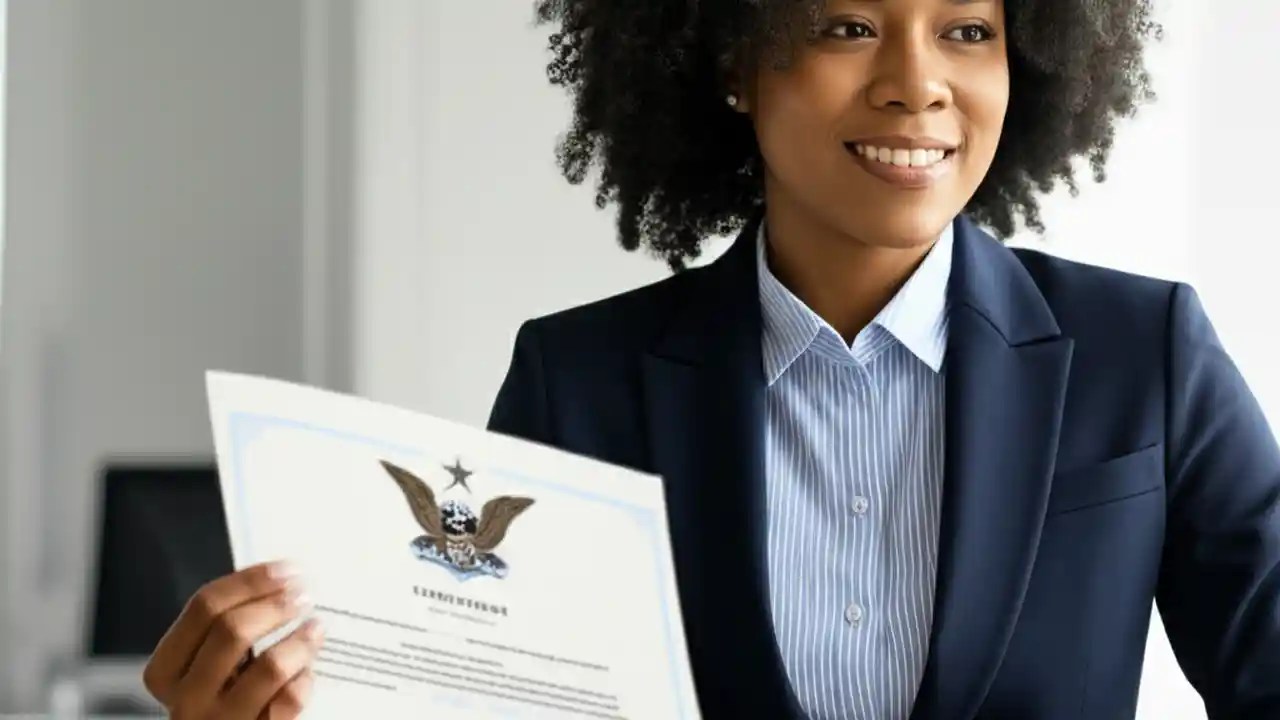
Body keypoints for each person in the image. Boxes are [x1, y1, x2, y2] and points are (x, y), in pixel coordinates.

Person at [145, 0, 1280, 717]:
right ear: (737, 62)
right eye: (847, 26)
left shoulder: (1146, 355)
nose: (916, 81)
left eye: (967, 31)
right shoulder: (578, 382)